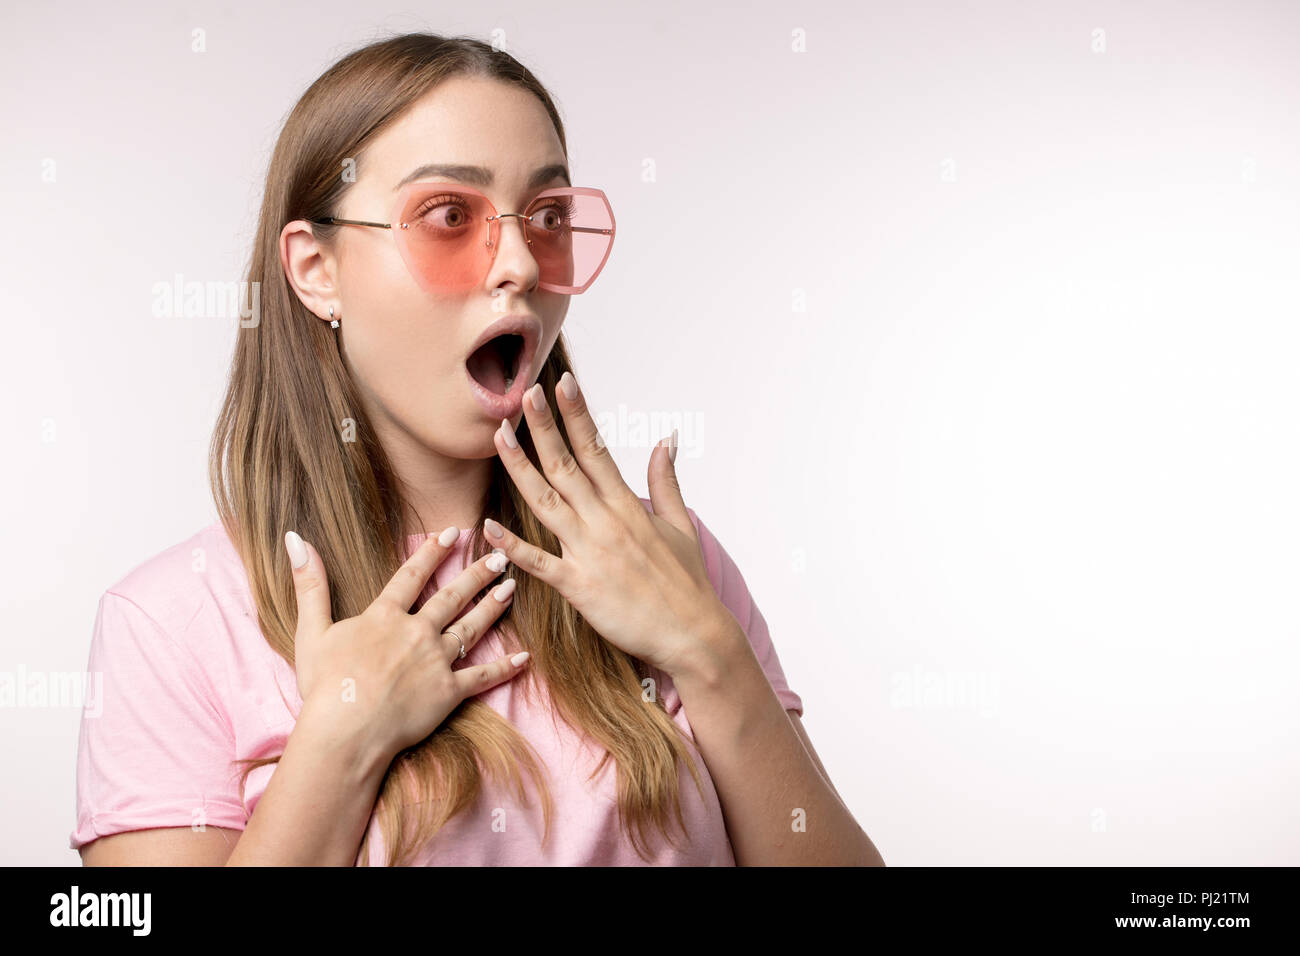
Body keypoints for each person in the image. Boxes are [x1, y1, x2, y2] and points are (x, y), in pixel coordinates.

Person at [70, 31, 884, 866]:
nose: (523, 265)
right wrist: (340, 745)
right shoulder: (172, 625)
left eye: (548, 217)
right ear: (317, 269)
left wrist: (710, 656)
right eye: (450, 217)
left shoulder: (671, 563)